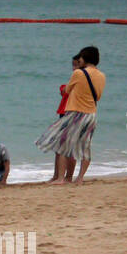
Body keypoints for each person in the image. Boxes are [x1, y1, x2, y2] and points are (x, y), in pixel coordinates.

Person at [37, 46, 104, 185]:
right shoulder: (102, 76)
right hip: (91, 114)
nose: (79, 60)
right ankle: (79, 179)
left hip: (75, 113)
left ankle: (61, 178)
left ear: (85, 58)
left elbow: (66, 90)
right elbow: (98, 96)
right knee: (85, 146)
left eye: (80, 57)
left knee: (62, 143)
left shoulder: (79, 73)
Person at [47, 54, 82, 181]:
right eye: (73, 65)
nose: (74, 68)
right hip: (64, 113)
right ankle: (57, 175)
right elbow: (63, 90)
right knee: (59, 147)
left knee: (68, 148)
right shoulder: (74, 80)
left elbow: (65, 91)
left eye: (76, 65)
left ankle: (68, 176)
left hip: (72, 114)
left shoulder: (79, 81)